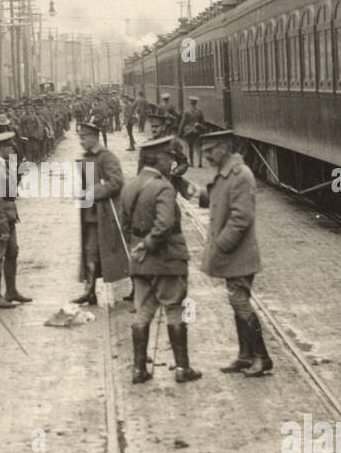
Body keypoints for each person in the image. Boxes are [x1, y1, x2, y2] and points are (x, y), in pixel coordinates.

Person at [119, 137, 201, 384]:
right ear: (158, 159)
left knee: (143, 312)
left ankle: (138, 369)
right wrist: (150, 243)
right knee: (175, 310)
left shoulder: (130, 186)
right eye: (168, 158)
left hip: (141, 263)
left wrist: (138, 247)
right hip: (167, 260)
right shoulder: (163, 187)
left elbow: (124, 225)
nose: (171, 163)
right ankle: (182, 368)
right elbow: (164, 224)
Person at [198, 130, 272, 376]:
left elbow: (241, 218)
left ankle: (262, 357)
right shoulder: (227, 173)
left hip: (238, 254)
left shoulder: (241, 175)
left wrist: (220, 245)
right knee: (237, 303)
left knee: (240, 302)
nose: (205, 155)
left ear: (225, 148)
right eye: (204, 150)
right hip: (233, 255)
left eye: (210, 150)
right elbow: (219, 202)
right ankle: (245, 356)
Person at [73, 119, 129, 305]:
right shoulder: (86, 156)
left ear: (93, 138)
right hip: (90, 214)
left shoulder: (107, 157)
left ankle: (138, 286)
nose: (81, 141)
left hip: (107, 213)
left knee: (119, 249)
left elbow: (116, 182)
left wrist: (94, 192)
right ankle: (90, 291)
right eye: (80, 138)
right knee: (90, 251)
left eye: (83, 138)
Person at [0, 130, 31, 306]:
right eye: (10, 146)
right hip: (0, 218)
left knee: (12, 252)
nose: (13, 149)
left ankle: (11, 291)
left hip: (9, 214)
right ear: (1, 148)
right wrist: (1, 225)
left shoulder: (2, 164)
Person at [181, 97, 206, 167]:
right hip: (197, 131)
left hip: (189, 132)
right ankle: (200, 163)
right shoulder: (199, 111)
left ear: (190, 103)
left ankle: (191, 163)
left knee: (190, 147)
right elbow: (203, 122)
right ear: (196, 103)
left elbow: (182, 123)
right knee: (199, 146)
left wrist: (180, 133)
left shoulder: (186, 112)